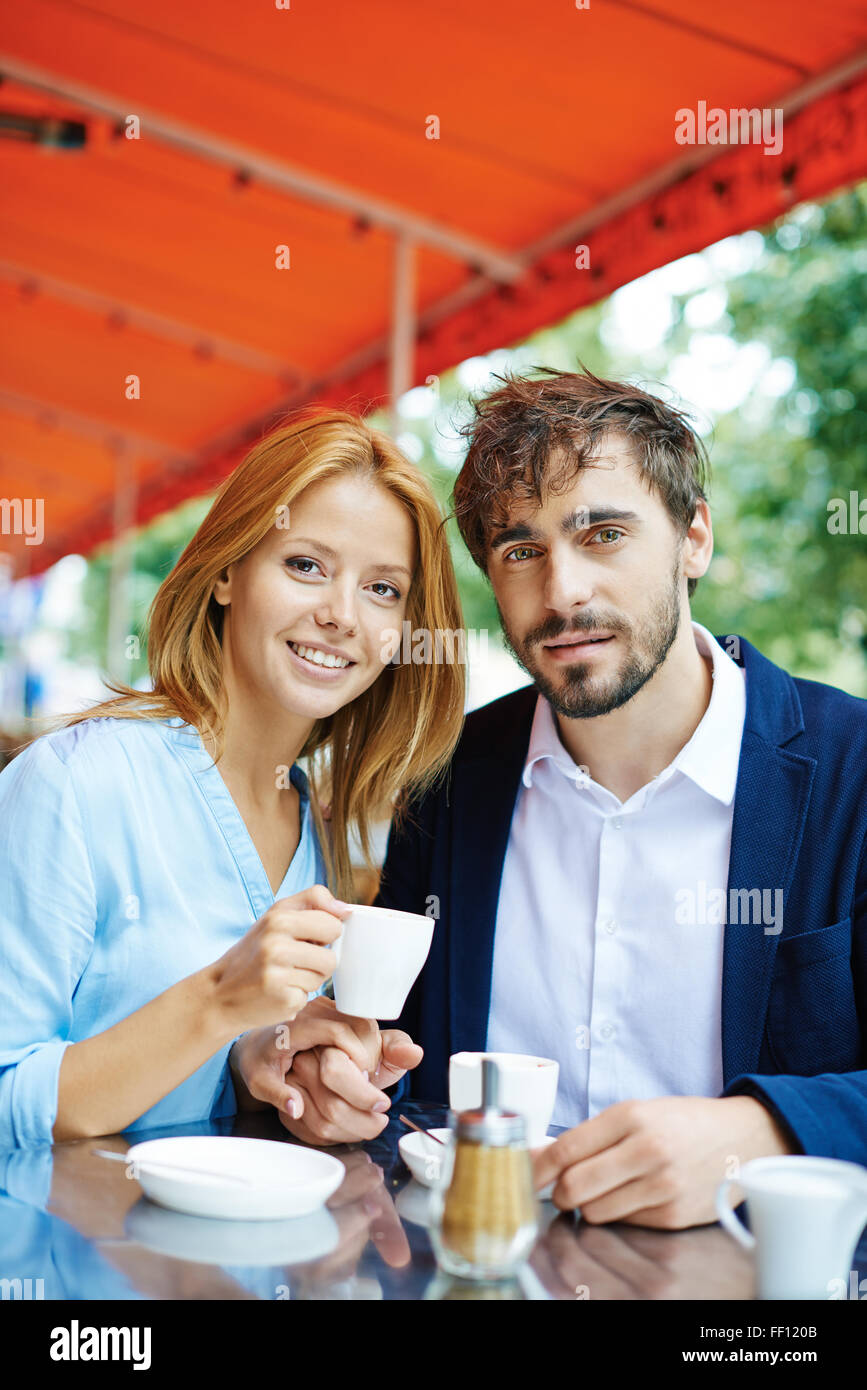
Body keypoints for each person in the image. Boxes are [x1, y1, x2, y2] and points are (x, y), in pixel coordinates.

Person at [256, 369, 867, 1229]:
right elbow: (376, 1059)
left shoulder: (851, 768)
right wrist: (335, 1077)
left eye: (604, 534)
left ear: (693, 538)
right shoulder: (445, 780)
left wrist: (761, 1131)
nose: (563, 591)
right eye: (520, 550)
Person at [0, 410, 464, 1147]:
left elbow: (193, 1089)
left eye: (382, 589)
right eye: (305, 565)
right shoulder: (74, 784)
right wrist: (217, 1002)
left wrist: (274, 1068)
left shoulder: (314, 823)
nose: (341, 615)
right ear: (225, 571)